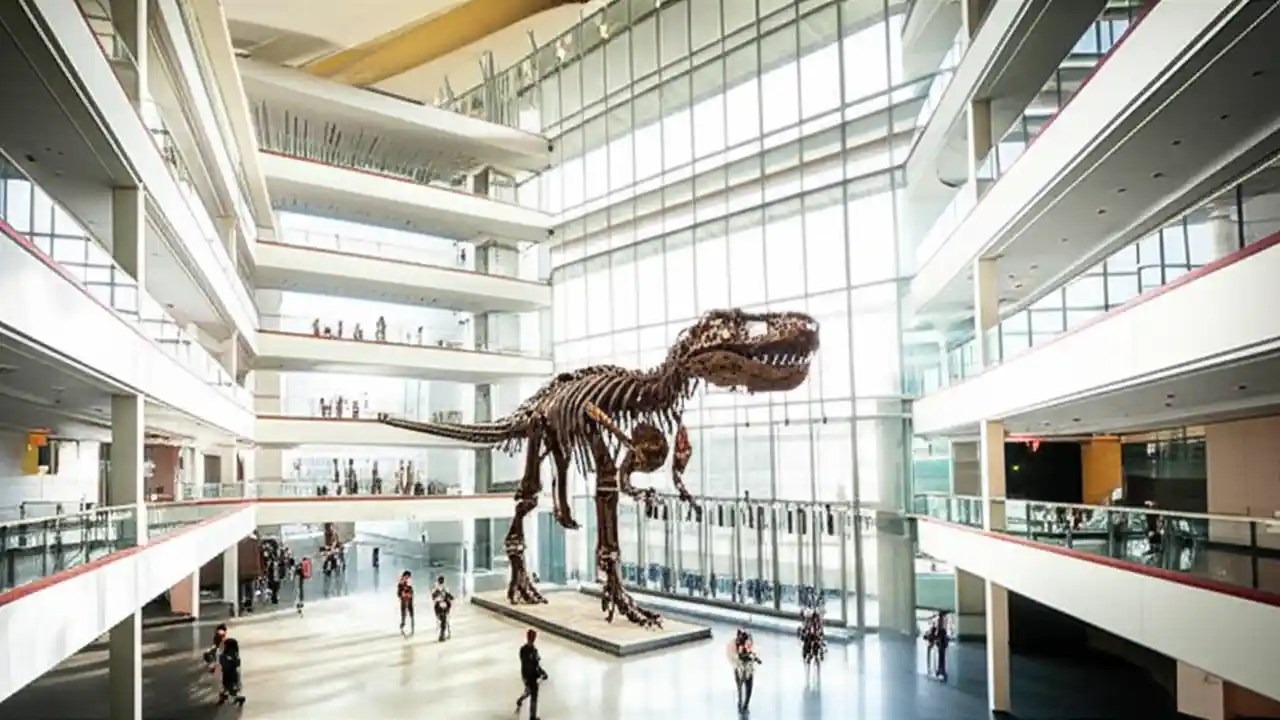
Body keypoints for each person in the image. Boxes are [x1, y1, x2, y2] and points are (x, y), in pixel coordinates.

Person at [516, 629, 548, 719]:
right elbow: (526, 664)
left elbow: (537, 664)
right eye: (531, 637)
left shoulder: (534, 650)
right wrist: (536, 672)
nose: (533, 639)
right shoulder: (524, 650)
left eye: (534, 637)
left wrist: (542, 672)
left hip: (533, 676)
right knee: (530, 692)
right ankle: (531, 714)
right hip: (527, 676)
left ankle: (531, 715)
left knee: (532, 694)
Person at [728, 628, 762, 713]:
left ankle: (746, 703)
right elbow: (735, 655)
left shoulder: (748, 643)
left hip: (748, 668)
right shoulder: (734, 644)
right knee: (740, 684)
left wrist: (753, 657)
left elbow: (753, 652)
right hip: (739, 667)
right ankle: (740, 700)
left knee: (748, 685)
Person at [216, 637, 246, 707]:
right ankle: (223, 698)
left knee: (230, 689)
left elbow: (235, 663)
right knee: (226, 688)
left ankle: (239, 698)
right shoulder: (232, 654)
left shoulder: (230, 655)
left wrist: (229, 661)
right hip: (229, 674)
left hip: (230, 675)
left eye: (225, 645)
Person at [924, 611, 951, 681]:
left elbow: (937, 635)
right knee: (941, 656)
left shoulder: (941, 629)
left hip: (940, 644)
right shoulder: (937, 628)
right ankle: (940, 670)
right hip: (940, 644)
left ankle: (940, 670)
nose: (940, 622)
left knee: (941, 656)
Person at [432, 575, 454, 641]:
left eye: (442, 580)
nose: (441, 582)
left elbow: (451, 597)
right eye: (441, 580)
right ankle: (442, 634)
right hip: (439, 607)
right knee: (444, 619)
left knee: (444, 619)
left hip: (443, 607)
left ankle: (442, 634)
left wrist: (448, 596)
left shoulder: (444, 588)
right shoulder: (436, 589)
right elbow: (433, 597)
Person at [397, 571, 415, 635]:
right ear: (404, 576)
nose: (407, 578)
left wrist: (410, 594)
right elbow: (398, 593)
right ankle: (403, 624)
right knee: (403, 614)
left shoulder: (409, 582)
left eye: (408, 576)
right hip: (403, 600)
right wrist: (402, 594)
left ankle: (413, 627)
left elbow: (412, 591)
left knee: (411, 613)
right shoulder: (400, 583)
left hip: (409, 599)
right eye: (406, 576)